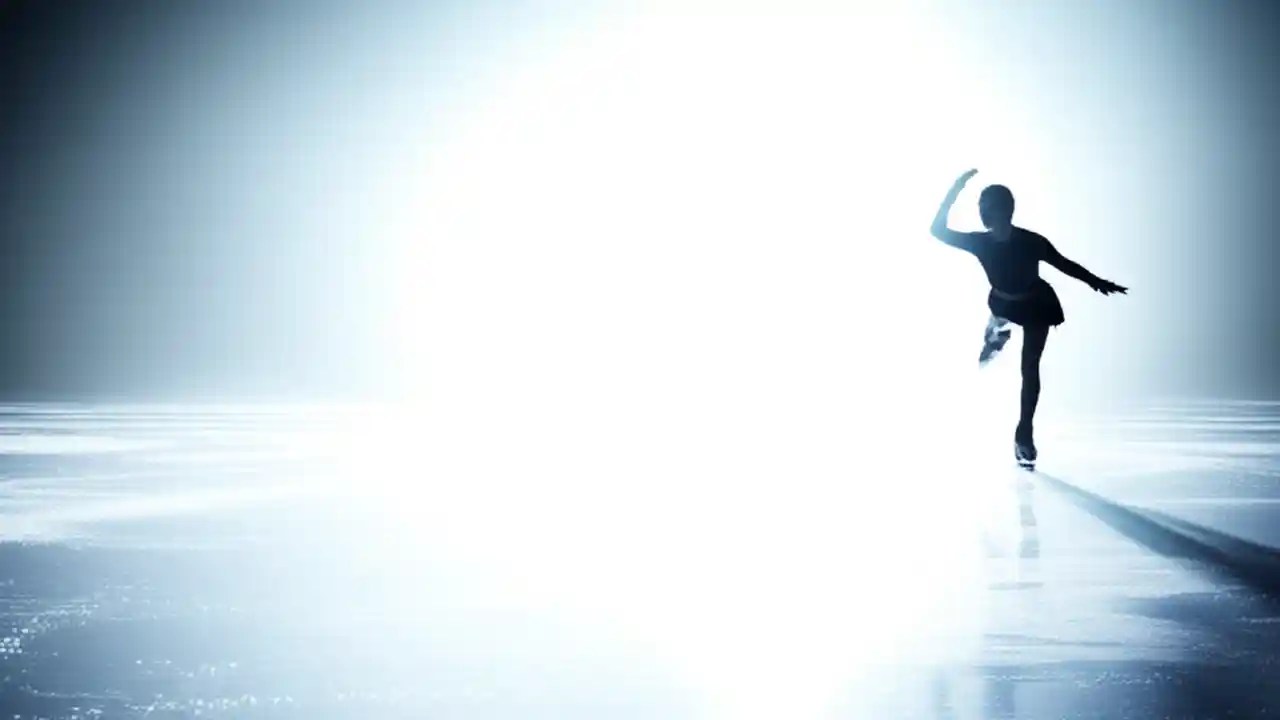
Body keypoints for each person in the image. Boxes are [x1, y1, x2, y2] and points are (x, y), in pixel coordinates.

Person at [930, 169, 1127, 467]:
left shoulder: (1031, 242)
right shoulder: (979, 242)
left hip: (1037, 306)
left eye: (986, 208)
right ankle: (995, 340)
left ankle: (1024, 431)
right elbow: (937, 230)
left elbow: (1064, 264)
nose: (984, 213)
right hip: (1003, 306)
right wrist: (954, 189)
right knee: (992, 349)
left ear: (998, 211)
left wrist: (1096, 281)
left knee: (1029, 368)